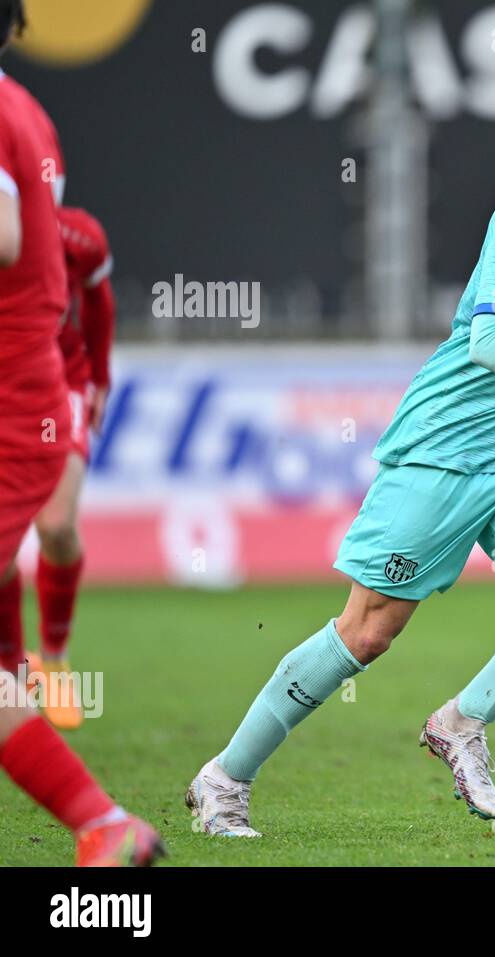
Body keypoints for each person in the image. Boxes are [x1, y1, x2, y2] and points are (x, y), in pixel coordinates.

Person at [188, 42, 495, 834]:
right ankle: (224, 780)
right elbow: (489, 339)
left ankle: (462, 721)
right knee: (368, 631)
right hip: (446, 445)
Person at [0, 0, 162, 865]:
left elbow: (4, 235)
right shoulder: (24, 108)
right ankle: (101, 824)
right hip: (22, 398)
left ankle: (97, 815)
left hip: (23, 402)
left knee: (59, 529)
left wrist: (85, 406)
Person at [23, 206, 116, 730]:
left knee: (56, 525)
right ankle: (14, 665)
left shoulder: (78, 236)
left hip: (61, 385)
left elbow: (99, 305)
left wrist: (100, 377)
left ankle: (53, 658)